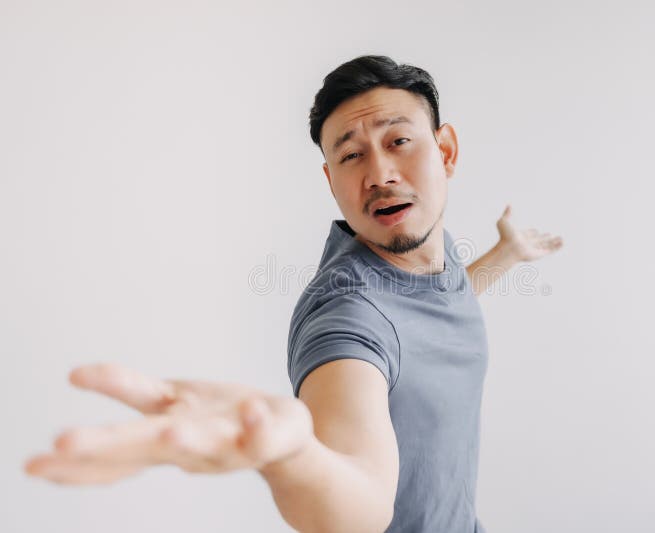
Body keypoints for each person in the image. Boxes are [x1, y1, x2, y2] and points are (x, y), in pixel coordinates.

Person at [24, 55, 563, 533]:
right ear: (331, 180)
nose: (379, 173)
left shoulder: (420, 247)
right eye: (352, 156)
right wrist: (293, 456)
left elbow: (432, 312)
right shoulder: (348, 314)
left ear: (445, 151)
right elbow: (358, 507)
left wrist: (503, 257)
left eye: (398, 141)